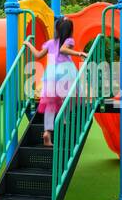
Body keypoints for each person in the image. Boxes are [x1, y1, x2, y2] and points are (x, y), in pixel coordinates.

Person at [26, 16, 85, 147]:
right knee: (71, 97)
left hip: (51, 74)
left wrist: (28, 44)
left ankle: (47, 132)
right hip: (65, 72)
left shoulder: (50, 43)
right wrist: (78, 54)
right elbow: (63, 49)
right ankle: (63, 118)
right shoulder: (69, 40)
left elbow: (37, 55)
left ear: (57, 29)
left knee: (50, 103)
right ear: (70, 31)